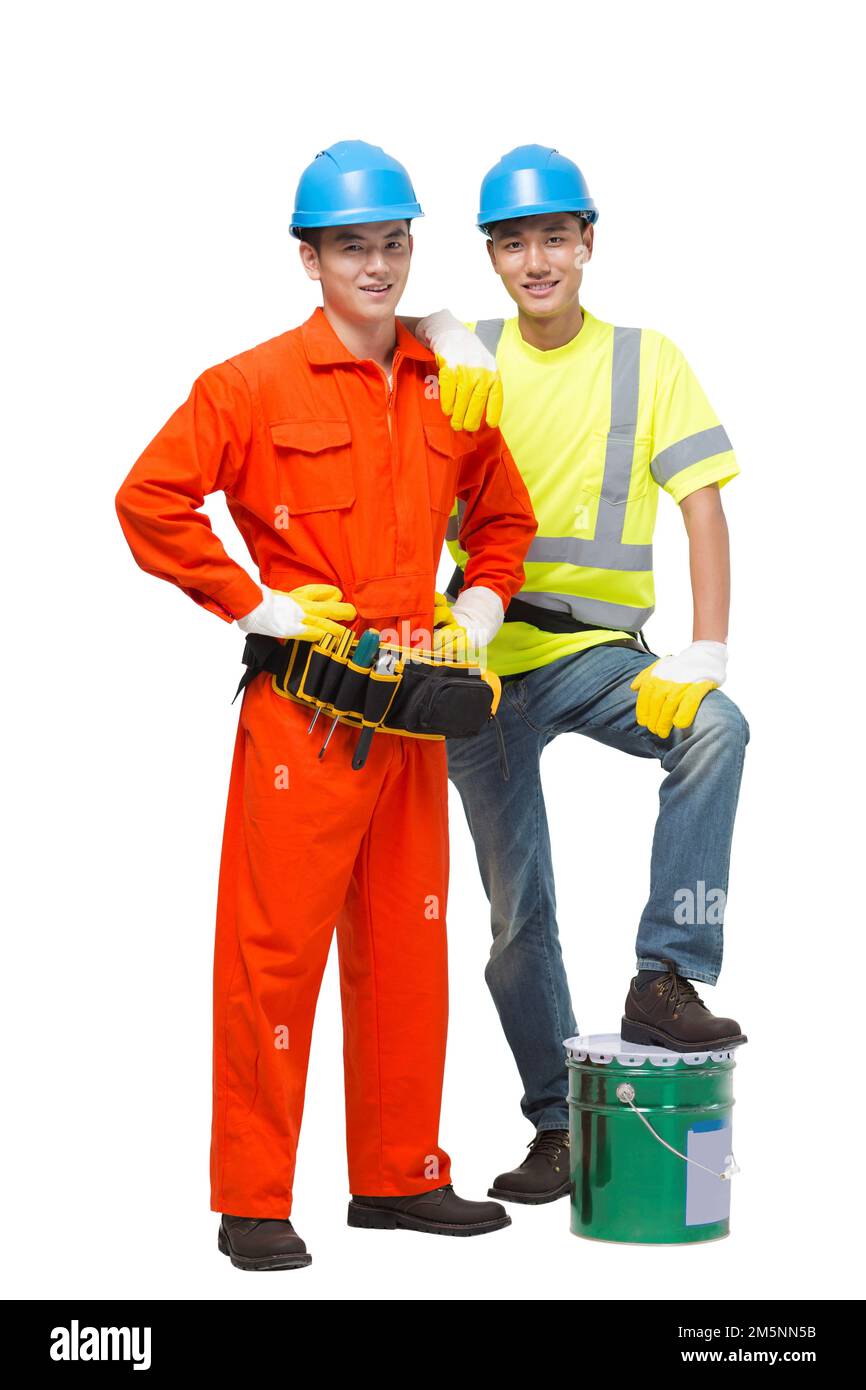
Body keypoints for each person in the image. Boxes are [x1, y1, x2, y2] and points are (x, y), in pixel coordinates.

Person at [115, 140, 537, 1268]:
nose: (378, 265)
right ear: (309, 259)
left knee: (409, 952)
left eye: (394, 243)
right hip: (300, 721)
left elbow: (502, 519)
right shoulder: (247, 386)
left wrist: (479, 613)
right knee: (272, 958)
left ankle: (399, 1178)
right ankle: (252, 1198)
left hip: (412, 717)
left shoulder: (451, 382)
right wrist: (248, 602)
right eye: (353, 246)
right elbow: (148, 499)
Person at [412, 145, 749, 1206]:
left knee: (718, 728)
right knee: (520, 916)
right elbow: (376, 359)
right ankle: (557, 1127)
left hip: (602, 659)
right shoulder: (470, 358)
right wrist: (430, 328)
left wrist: (705, 647)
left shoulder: (646, 360)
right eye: (511, 242)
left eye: (554, 237)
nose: (534, 259)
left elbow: (700, 503)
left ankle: (666, 973)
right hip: (485, 676)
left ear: (586, 244)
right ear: (494, 259)